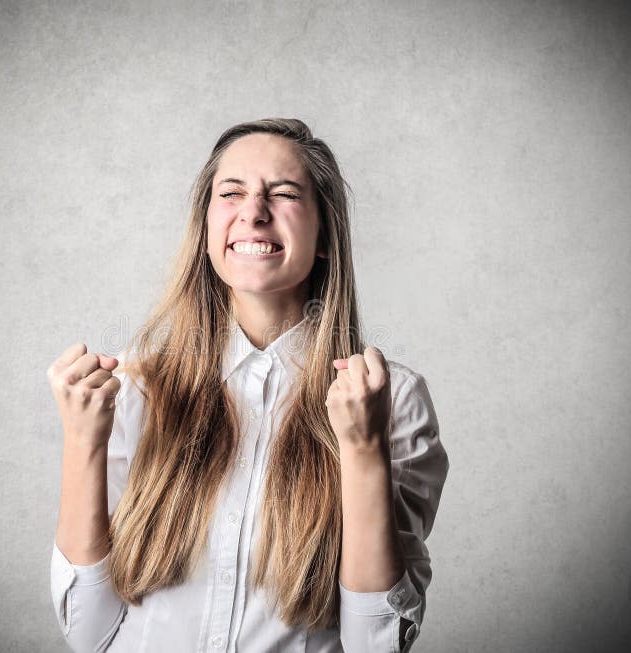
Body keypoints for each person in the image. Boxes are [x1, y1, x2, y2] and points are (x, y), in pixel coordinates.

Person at [47, 118, 449, 652]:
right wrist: (83, 443)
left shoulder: (390, 400)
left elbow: (375, 645)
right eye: (230, 192)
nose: (253, 212)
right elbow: (87, 633)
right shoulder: (133, 387)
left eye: (283, 194)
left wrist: (363, 448)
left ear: (326, 235)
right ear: (207, 229)